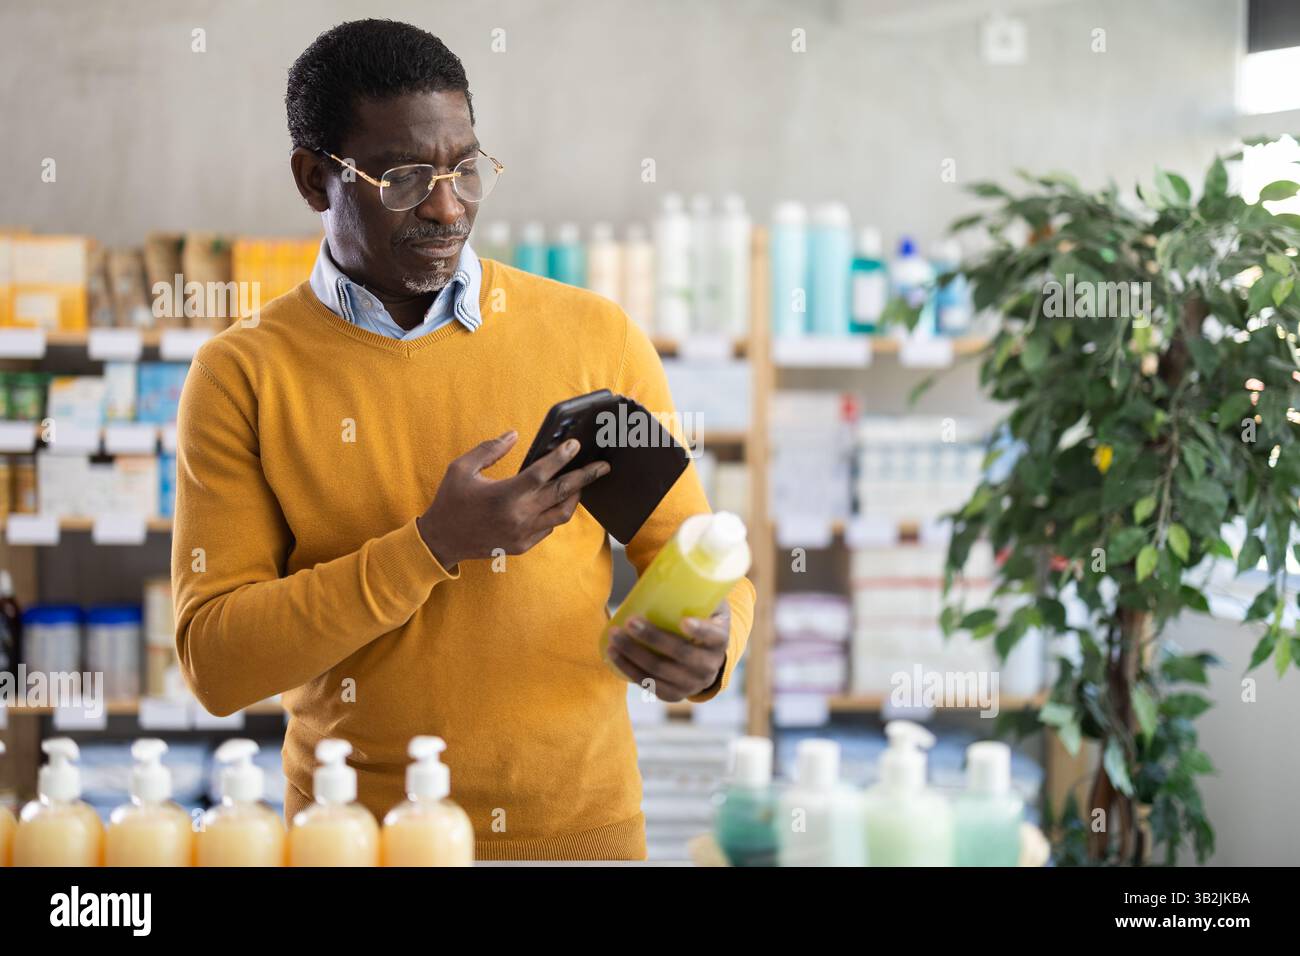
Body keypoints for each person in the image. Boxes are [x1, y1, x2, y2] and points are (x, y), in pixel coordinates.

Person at [171, 18, 755, 861]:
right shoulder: (241, 376)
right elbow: (216, 661)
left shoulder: (593, 337)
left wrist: (712, 647)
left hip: (579, 834)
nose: (448, 206)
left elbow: (703, 553)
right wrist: (434, 544)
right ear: (313, 180)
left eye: (466, 168)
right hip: (356, 841)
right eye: (404, 177)